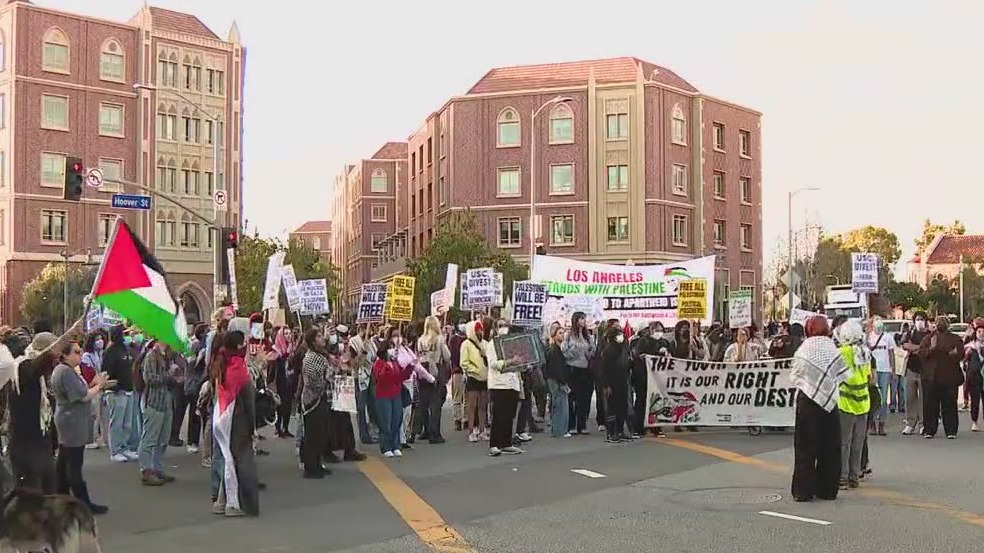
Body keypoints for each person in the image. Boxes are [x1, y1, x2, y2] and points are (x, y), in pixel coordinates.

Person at [50, 339, 114, 514]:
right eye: (76, 352)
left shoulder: (66, 370)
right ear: (65, 355)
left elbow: (81, 390)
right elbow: (81, 396)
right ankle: (83, 503)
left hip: (69, 419)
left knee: (64, 462)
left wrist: (94, 384)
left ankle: (61, 498)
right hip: (71, 421)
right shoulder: (65, 372)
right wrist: (99, 386)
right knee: (74, 464)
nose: (80, 355)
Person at [789, 316, 848, 502]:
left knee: (805, 448)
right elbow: (841, 374)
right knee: (830, 448)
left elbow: (796, 374)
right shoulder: (832, 348)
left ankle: (803, 491)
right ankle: (827, 490)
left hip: (807, 401)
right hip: (829, 404)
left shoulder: (804, 348)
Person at [211, 330, 260, 516]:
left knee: (227, 458)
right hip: (236, 419)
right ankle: (237, 504)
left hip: (221, 415)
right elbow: (248, 400)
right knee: (241, 461)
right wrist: (253, 427)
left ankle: (221, 501)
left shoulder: (221, 362)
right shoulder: (238, 368)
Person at [7, 331, 58, 493]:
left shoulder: (40, 374)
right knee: (30, 489)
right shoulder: (23, 367)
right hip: (25, 439)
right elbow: (37, 366)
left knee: (48, 483)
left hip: (40, 437)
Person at [834, 320, 871, 490]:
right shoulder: (865, 352)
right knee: (858, 442)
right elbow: (869, 376)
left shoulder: (843, 352)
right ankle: (854, 476)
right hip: (863, 403)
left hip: (846, 403)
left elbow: (834, 374)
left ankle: (842, 477)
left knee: (844, 443)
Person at [483, 317, 524, 456]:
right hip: (498, 384)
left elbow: (520, 361)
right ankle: (494, 445)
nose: (504, 328)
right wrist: (510, 361)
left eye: (506, 325)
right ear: (495, 328)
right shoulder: (492, 344)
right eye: (500, 325)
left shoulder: (512, 343)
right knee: (498, 416)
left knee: (509, 415)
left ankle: (506, 443)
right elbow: (493, 363)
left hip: (512, 383)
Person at [918, 316, 964, 439]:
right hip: (931, 378)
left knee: (950, 405)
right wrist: (931, 348)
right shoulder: (928, 338)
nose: (941, 324)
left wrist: (954, 353)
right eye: (938, 322)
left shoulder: (955, 338)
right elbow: (921, 354)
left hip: (949, 377)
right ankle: (929, 430)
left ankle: (951, 431)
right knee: (930, 406)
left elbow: (960, 353)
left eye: (943, 322)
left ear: (948, 325)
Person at [102, 325, 139, 463]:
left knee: (127, 423)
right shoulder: (110, 352)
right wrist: (113, 386)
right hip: (117, 392)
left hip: (128, 390)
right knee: (117, 423)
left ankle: (125, 447)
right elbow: (105, 372)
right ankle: (116, 450)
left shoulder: (126, 349)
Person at [299, 327, 333, 478]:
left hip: (322, 398)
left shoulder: (321, 355)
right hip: (312, 400)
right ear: (313, 341)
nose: (322, 339)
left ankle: (318, 463)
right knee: (312, 434)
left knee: (321, 433)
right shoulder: (310, 358)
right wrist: (327, 377)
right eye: (318, 336)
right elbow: (313, 381)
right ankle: (310, 467)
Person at [373, 344, 416, 458]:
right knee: (385, 422)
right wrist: (387, 367)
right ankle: (386, 447)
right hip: (383, 395)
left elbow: (401, 376)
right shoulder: (379, 363)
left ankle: (396, 445)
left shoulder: (395, 363)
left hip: (396, 394)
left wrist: (410, 368)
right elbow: (380, 377)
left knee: (396, 420)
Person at [415, 316, 451, 444]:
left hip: (423, 370)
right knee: (435, 403)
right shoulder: (439, 339)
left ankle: (421, 430)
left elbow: (418, 356)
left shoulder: (421, 340)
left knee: (423, 402)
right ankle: (434, 433)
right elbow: (447, 356)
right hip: (436, 370)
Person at [562, 312, 596, 435]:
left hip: (585, 369)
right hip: (572, 368)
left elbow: (592, 351)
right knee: (572, 397)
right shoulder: (569, 335)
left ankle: (582, 424)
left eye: (584, 319)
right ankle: (571, 425)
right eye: (581, 318)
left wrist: (590, 351)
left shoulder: (588, 336)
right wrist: (574, 351)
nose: (583, 321)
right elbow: (564, 351)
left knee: (583, 398)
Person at [599, 324, 630, 442]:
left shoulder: (623, 348)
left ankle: (620, 431)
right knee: (612, 408)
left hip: (622, 381)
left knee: (622, 407)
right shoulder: (609, 350)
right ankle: (611, 433)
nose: (621, 336)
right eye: (618, 334)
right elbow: (604, 369)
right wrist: (606, 385)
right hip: (612, 383)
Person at [900, 312, 930, 435]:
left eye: (922, 319)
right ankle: (910, 423)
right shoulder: (909, 333)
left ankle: (923, 424)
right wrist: (919, 348)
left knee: (924, 399)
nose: (919, 321)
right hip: (911, 369)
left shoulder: (930, 335)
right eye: (917, 319)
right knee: (910, 397)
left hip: (925, 370)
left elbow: (929, 349)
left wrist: (915, 348)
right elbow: (905, 345)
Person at [460, 320, 490, 443]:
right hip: (473, 378)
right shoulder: (466, 344)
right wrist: (475, 370)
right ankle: (471, 431)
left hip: (485, 378)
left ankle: (482, 431)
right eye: (477, 330)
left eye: (481, 330)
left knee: (482, 406)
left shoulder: (486, 344)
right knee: (472, 407)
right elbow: (463, 362)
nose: (480, 332)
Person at [867, 318, 895, 436]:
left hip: (885, 369)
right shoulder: (869, 337)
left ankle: (882, 424)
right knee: (873, 397)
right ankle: (872, 424)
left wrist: (893, 369)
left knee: (883, 399)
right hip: (872, 370)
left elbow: (891, 354)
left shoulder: (888, 337)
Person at [543, 324, 571, 438]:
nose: (562, 335)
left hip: (555, 379)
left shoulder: (557, 349)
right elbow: (556, 368)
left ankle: (559, 429)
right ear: (554, 335)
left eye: (563, 333)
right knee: (560, 405)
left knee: (559, 404)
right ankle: (559, 430)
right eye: (559, 333)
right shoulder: (554, 349)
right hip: (556, 380)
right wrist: (563, 382)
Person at [963, 318, 984, 432]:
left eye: (983, 332)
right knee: (975, 400)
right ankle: (974, 422)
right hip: (974, 376)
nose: (981, 334)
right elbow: (963, 359)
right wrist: (966, 354)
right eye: (979, 332)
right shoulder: (970, 346)